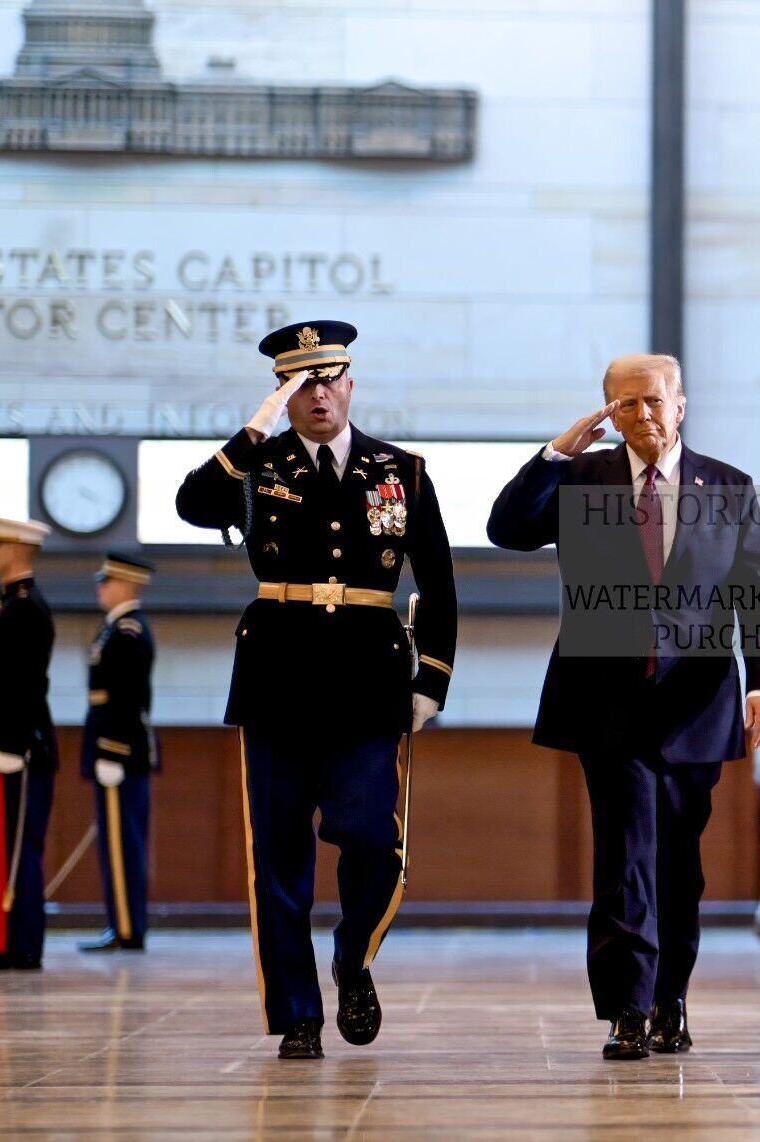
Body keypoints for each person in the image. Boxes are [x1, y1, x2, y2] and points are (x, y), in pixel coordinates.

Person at [487, 353, 760, 1061]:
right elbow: (507, 528)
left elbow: (759, 594)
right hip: (607, 702)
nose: (641, 416)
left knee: (680, 860)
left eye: (653, 401)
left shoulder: (729, 486)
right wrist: (555, 453)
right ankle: (627, 1007)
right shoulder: (580, 479)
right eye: (625, 405)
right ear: (607, 413)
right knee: (626, 855)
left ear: (680, 405)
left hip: (697, 704)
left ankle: (670, 998)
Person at [176, 320, 458, 1060]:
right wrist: (253, 427)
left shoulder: (401, 470)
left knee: (372, 836)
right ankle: (298, 1014)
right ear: (284, 394)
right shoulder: (258, 467)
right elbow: (192, 503)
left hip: (369, 679)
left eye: (329, 378)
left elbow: (440, 583)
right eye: (301, 383)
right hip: (277, 676)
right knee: (277, 858)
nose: (318, 393)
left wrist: (432, 679)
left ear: (351, 385)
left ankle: (353, 956)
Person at [79, 553, 160, 954]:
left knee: (123, 845)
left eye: (107, 581)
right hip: (116, 750)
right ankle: (121, 923)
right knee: (117, 844)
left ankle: (127, 927)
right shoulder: (115, 628)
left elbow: (125, 699)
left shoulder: (128, 631)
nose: (101, 587)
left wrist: (111, 750)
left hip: (121, 753)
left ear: (127, 584)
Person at [0, 518, 57, 971]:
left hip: (23, 746)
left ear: (15, 549)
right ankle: (14, 942)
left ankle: (21, 946)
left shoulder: (24, 608)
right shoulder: (13, 605)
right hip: (18, 744)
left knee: (21, 852)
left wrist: (13, 743)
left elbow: (19, 686)